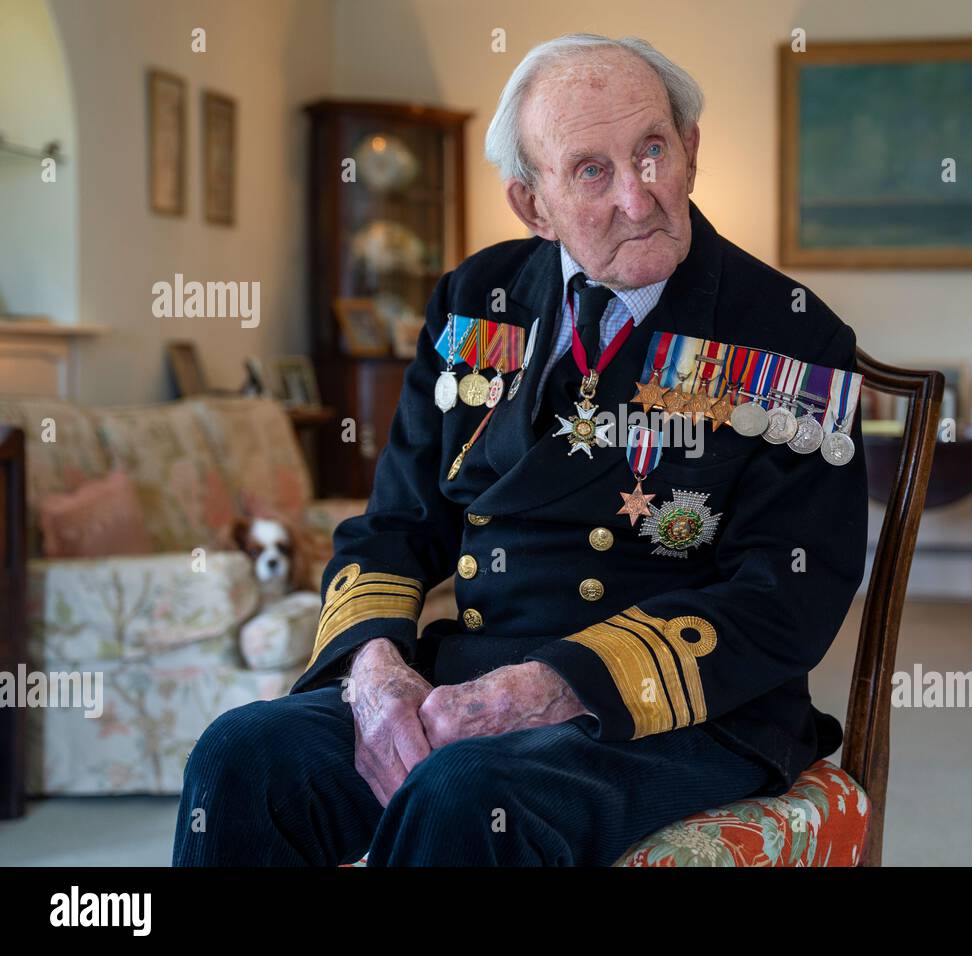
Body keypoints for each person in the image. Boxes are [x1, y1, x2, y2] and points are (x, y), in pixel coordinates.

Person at [173, 32, 868, 867]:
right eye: (590, 170)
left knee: (463, 796)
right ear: (532, 205)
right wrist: (374, 670)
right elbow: (395, 522)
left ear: (690, 149)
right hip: (465, 676)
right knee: (242, 757)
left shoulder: (789, 332)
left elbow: (789, 593)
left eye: (652, 152)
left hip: (679, 711)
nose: (639, 199)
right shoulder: (478, 299)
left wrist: (552, 684)